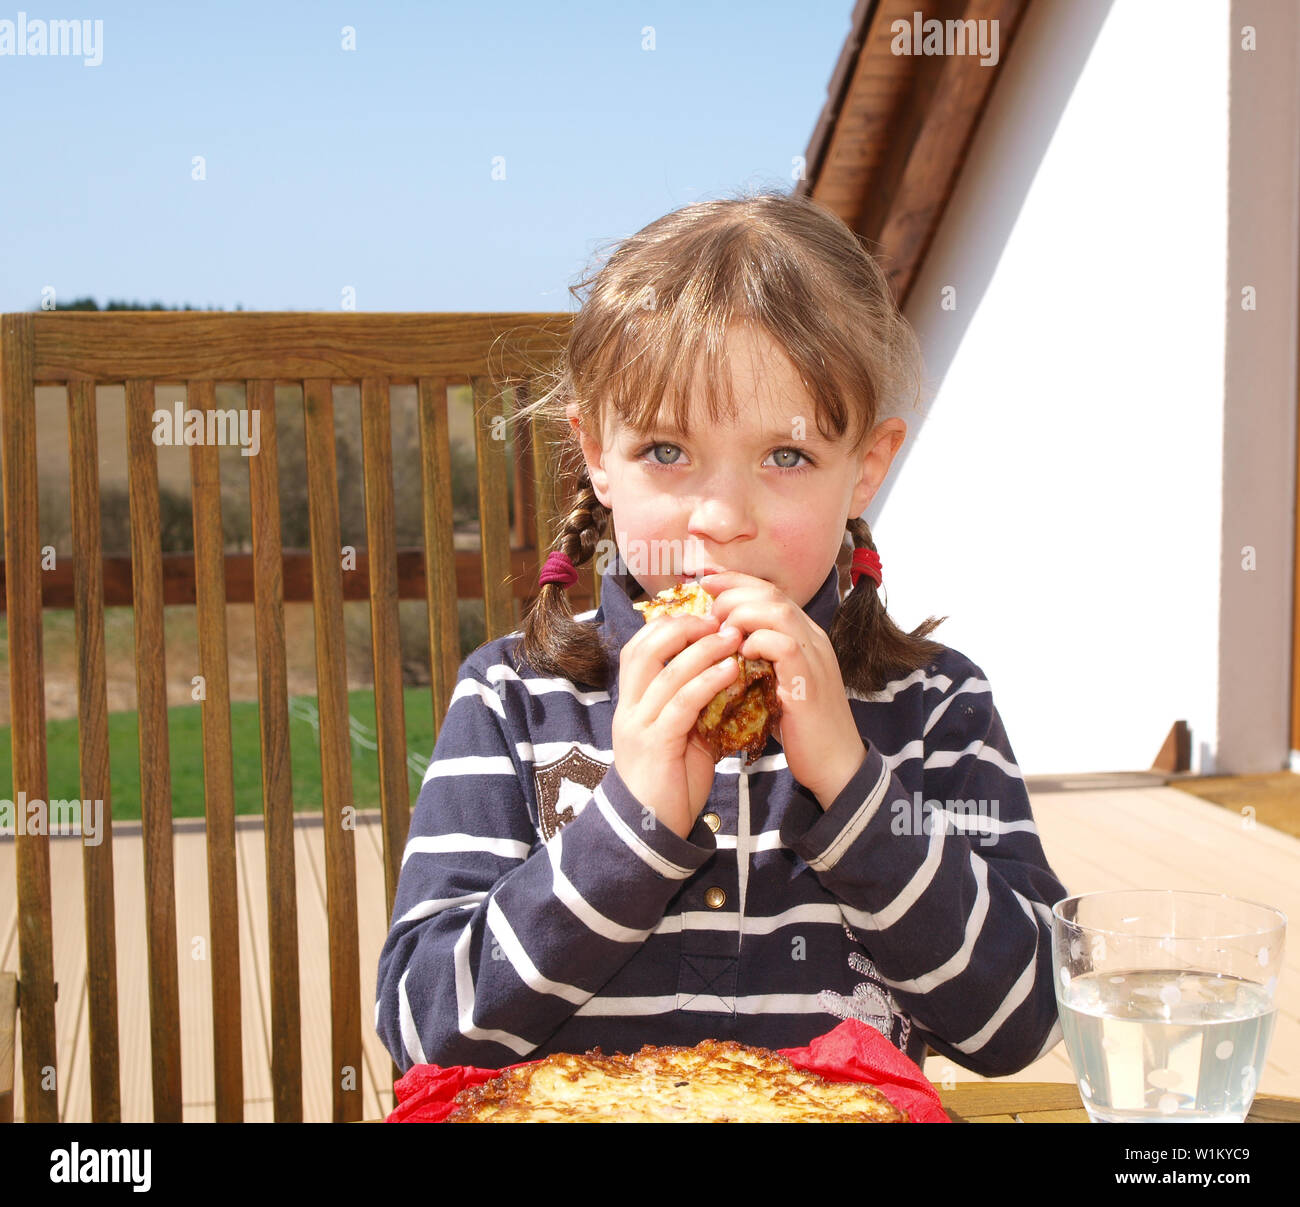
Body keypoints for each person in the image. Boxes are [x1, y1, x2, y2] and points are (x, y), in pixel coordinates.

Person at [375, 190, 1068, 1079]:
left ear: (866, 468)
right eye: (667, 452)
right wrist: (630, 825)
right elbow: (420, 1031)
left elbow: (1019, 1022)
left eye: (786, 457)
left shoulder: (936, 710)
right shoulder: (515, 702)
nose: (719, 518)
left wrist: (854, 790)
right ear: (595, 452)